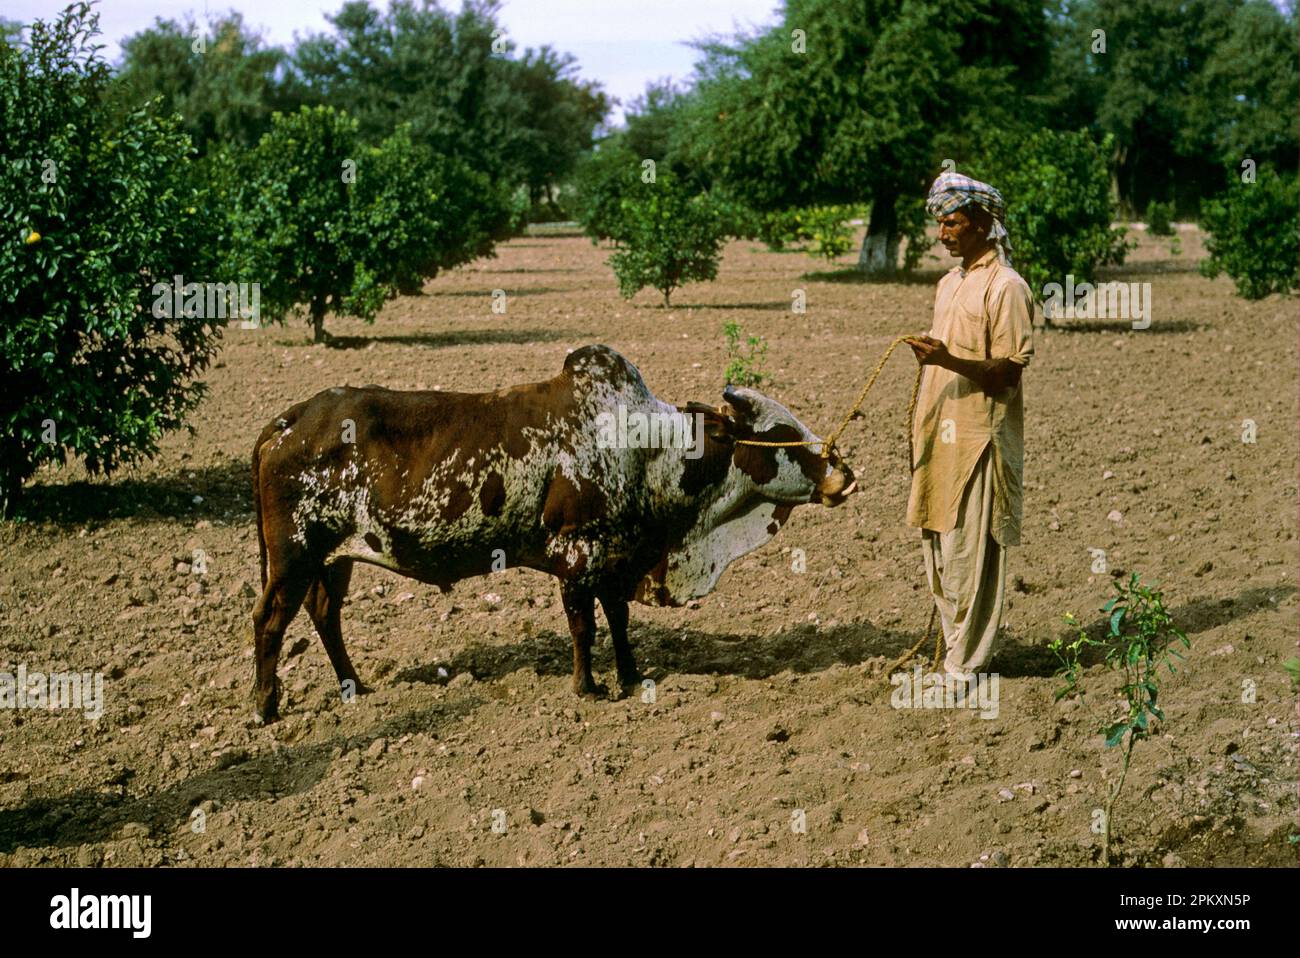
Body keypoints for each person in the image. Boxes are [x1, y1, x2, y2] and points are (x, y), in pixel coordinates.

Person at [903, 172, 1034, 677]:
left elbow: (1007, 373)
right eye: (940, 223)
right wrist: (935, 359)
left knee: (971, 556)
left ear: (982, 223)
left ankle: (966, 667)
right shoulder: (949, 283)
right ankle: (954, 651)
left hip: (980, 439)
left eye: (952, 222)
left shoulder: (1007, 288)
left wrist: (949, 360)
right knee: (938, 548)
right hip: (940, 434)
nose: (943, 233)